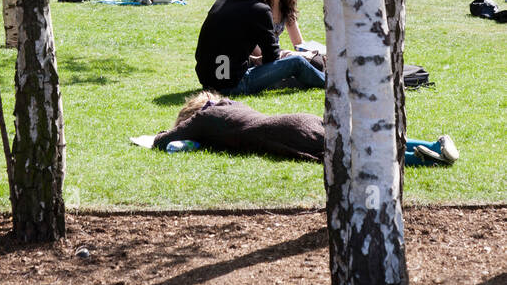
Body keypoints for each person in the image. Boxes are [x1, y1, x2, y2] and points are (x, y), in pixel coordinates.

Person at [147, 91, 459, 167]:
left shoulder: (203, 119)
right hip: (296, 119)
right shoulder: (230, 106)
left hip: (284, 132)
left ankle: (422, 158)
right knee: (352, 140)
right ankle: (429, 143)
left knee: (347, 153)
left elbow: (165, 142)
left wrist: (163, 134)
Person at [194, 0, 326, 94]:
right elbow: (272, 57)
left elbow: (223, 47)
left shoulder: (221, 1)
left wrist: (252, 60)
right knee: (297, 63)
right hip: (232, 84)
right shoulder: (260, 10)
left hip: (207, 80)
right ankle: (332, 83)